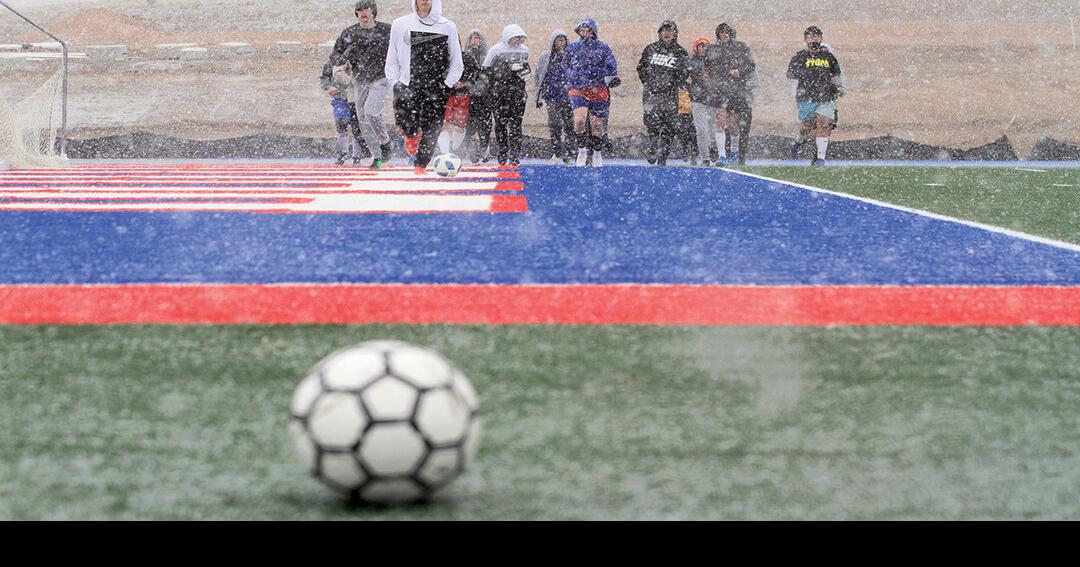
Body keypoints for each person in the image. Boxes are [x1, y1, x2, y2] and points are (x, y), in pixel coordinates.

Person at [385, 0, 464, 175]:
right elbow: (392, 56)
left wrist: (447, 84)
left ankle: (420, 165)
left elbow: (457, 61)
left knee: (433, 128)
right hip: (407, 85)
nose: (424, 1)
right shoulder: (400, 24)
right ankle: (411, 135)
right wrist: (396, 82)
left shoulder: (448, 26)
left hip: (437, 87)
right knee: (407, 123)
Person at [332, 1, 394, 168]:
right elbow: (336, 55)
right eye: (359, 11)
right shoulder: (350, 33)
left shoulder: (387, 30)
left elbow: (401, 48)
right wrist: (343, 59)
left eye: (366, 10)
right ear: (357, 14)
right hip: (360, 80)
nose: (363, 13)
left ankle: (386, 142)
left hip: (380, 78)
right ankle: (377, 156)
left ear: (373, 12)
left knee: (372, 113)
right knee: (363, 121)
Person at [563, 17, 618, 167]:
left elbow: (612, 68)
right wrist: (572, 75)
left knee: (597, 125)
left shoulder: (603, 48)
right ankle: (581, 151)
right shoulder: (572, 48)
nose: (585, 32)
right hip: (578, 88)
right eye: (582, 30)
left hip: (597, 89)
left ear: (593, 31)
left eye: (588, 30)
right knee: (579, 120)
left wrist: (594, 72)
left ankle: (597, 153)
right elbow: (565, 65)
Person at [787, 26, 845, 167]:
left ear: (821, 38)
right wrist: (807, 73)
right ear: (805, 39)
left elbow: (836, 74)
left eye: (817, 36)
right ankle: (798, 141)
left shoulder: (828, 57)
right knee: (807, 125)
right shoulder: (800, 56)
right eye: (811, 36)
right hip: (806, 96)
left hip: (825, 96)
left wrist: (839, 86)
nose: (814, 39)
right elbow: (790, 73)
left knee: (823, 123)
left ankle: (820, 159)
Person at [636, 20, 688, 167]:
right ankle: (652, 147)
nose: (667, 33)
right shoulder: (650, 49)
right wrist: (649, 83)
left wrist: (673, 83)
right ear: (659, 33)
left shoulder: (680, 52)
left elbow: (685, 71)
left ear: (675, 33)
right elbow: (641, 68)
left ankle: (662, 157)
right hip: (652, 94)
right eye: (664, 30)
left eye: (670, 30)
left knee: (670, 127)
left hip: (670, 95)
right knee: (652, 124)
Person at [703, 22, 754, 167]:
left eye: (726, 32)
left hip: (736, 90)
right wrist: (706, 74)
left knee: (733, 124)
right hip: (719, 90)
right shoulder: (711, 49)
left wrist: (739, 71)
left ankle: (735, 151)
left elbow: (751, 65)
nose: (724, 34)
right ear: (717, 33)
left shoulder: (741, 47)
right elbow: (706, 66)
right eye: (721, 32)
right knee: (720, 120)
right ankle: (722, 156)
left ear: (731, 33)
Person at [483, 25, 531, 167]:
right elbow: (486, 70)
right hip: (499, 94)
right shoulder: (495, 50)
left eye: (519, 38)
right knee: (500, 125)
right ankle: (502, 154)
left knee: (516, 125)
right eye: (514, 38)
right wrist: (505, 70)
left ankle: (515, 156)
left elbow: (526, 70)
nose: (517, 41)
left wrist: (525, 73)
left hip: (517, 94)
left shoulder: (524, 50)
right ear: (507, 37)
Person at [319, 53, 368, 165]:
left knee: (357, 126)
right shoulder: (333, 60)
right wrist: (328, 86)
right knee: (341, 122)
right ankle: (343, 153)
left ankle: (357, 155)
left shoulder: (360, 57)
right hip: (340, 97)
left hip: (357, 98)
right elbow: (324, 77)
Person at [535, 29, 574, 165]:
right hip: (552, 96)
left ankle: (569, 153)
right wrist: (538, 97)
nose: (561, 42)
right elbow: (539, 77)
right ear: (553, 42)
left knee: (569, 125)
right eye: (558, 40)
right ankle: (557, 152)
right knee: (555, 125)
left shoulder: (571, 56)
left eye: (563, 39)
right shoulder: (546, 57)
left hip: (569, 97)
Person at [461, 30, 493, 163]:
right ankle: (469, 151)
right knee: (469, 126)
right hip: (469, 96)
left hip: (484, 96)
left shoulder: (487, 56)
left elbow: (489, 75)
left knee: (484, 125)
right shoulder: (464, 56)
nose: (474, 41)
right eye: (472, 38)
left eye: (477, 38)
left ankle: (484, 150)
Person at [687, 35, 716, 166]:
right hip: (698, 101)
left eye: (706, 46)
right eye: (701, 46)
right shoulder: (691, 62)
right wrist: (693, 89)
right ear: (696, 48)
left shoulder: (714, 61)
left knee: (711, 129)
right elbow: (685, 79)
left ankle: (713, 147)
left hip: (712, 101)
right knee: (701, 130)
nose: (703, 48)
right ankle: (705, 158)